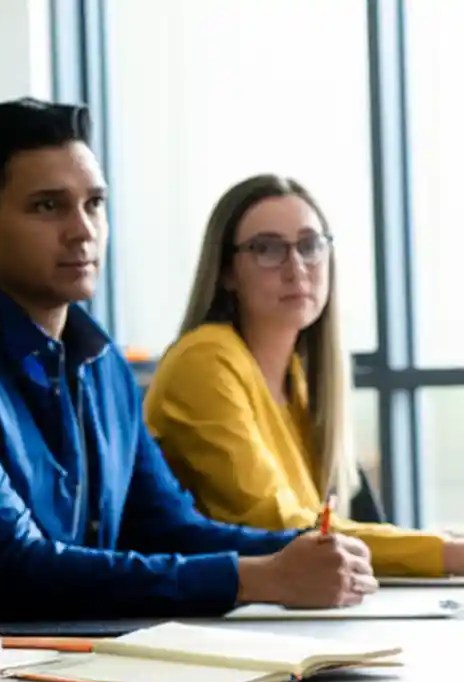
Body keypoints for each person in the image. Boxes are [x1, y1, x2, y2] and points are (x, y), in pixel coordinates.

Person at [0, 98, 379, 621]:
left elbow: (165, 526)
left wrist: (301, 549)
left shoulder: (99, 360)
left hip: (63, 664)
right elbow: (11, 571)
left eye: (95, 204)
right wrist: (255, 578)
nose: (83, 231)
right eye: (49, 207)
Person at [143, 174, 464, 578]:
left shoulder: (300, 379)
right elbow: (278, 525)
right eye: (267, 249)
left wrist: (447, 546)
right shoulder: (205, 360)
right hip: (218, 618)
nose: (296, 268)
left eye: (310, 245)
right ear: (226, 272)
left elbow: (319, 529)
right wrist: (448, 553)